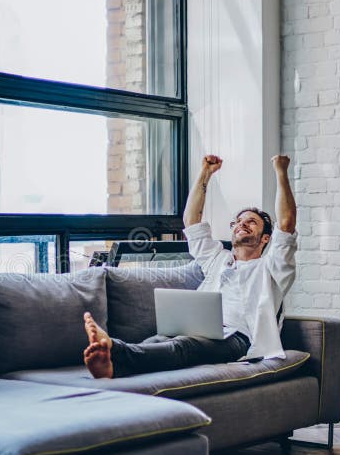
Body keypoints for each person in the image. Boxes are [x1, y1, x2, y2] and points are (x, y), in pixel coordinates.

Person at [82, 154, 297, 379]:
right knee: (158, 340)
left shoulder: (272, 267)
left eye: (251, 222)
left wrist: (280, 170)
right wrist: (205, 173)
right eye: (238, 221)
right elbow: (191, 222)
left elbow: (287, 223)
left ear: (265, 238)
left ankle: (115, 349)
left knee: (184, 346)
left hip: (238, 339)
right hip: (199, 330)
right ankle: (111, 366)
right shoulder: (218, 259)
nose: (242, 224)